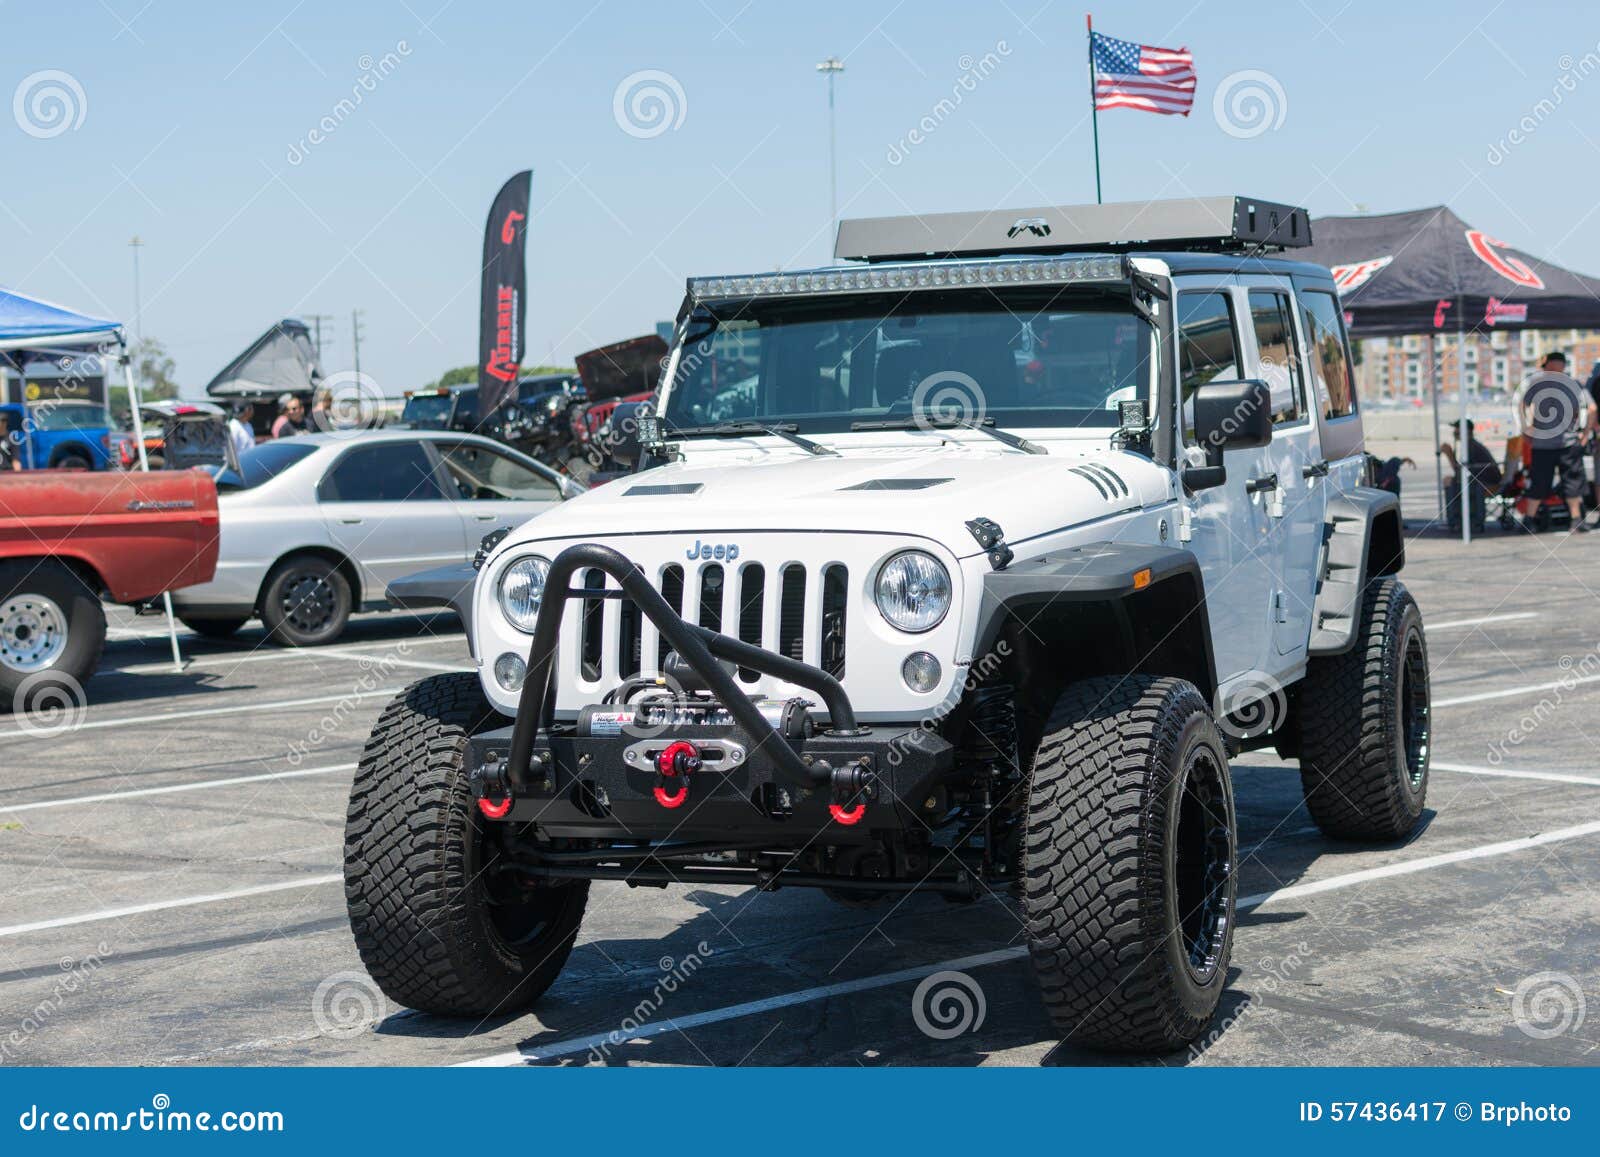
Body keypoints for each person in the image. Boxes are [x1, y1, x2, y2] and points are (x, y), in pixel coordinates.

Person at [1518, 352, 1597, 533]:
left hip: (1544, 443)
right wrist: (1584, 435)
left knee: (1540, 482)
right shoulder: (1574, 384)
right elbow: (1591, 409)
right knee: (1572, 482)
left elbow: (1522, 406)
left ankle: (1529, 521)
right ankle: (1576, 521)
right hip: (1566, 443)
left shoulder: (1537, 384)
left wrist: (1525, 429)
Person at [1439, 419, 1502, 533]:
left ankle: (1454, 520)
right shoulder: (1471, 444)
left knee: (1449, 481)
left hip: (1484, 484)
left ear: (1465, 431)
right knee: (1450, 481)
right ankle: (1455, 520)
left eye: (1457, 429)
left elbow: (1460, 472)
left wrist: (1449, 454)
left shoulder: (1470, 446)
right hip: (1482, 481)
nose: (1455, 432)